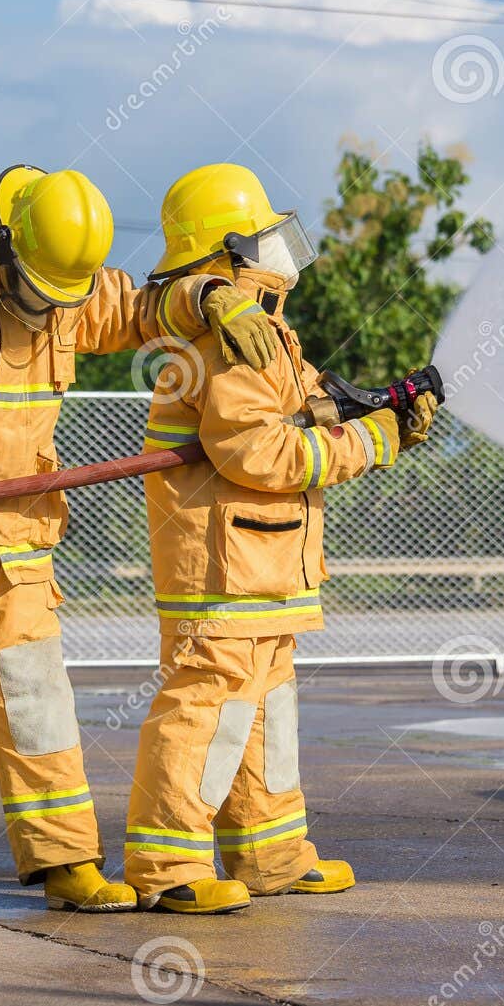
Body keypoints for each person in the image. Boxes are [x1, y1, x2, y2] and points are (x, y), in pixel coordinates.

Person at [0, 164, 278, 917]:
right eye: (38, 293)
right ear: (3, 250)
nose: (50, 311)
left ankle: (65, 859)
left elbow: (144, 308)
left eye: (63, 298)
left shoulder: (69, 294)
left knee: (38, 707)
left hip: (18, 546)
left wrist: (210, 295)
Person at [125, 163, 437, 913]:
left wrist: (378, 409)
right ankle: (167, 867)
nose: (282, 253)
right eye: (265, 238)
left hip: (261, 563)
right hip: (222, 566)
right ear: (228, 254)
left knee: (266, 714)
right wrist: (376, 440)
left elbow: (306, 407)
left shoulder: (265, 334)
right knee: (205, 707)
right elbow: (258, 452)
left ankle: (271, 855)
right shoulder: (230, 338)